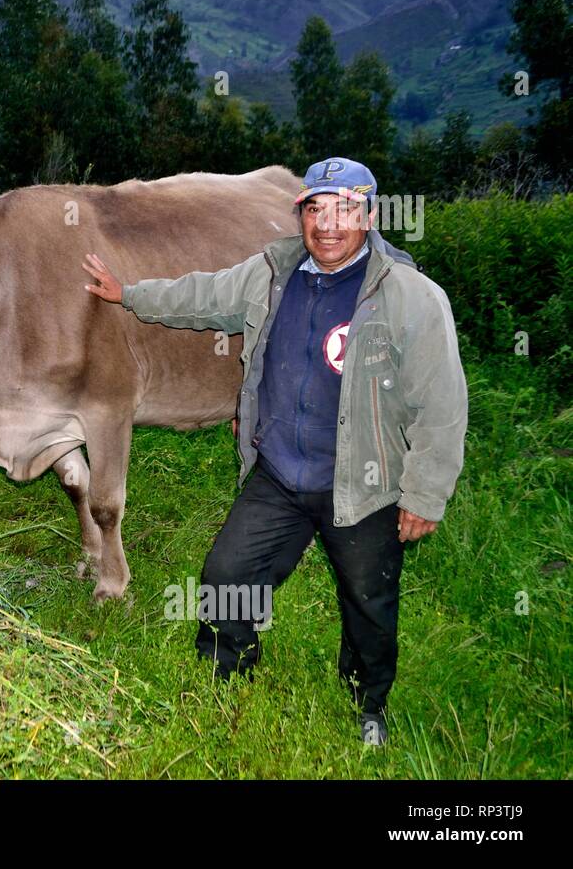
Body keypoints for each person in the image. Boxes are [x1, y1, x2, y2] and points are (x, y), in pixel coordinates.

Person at [82, 157, 468, 745]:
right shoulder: (273, 272)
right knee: (226, 575)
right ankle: (225, 670)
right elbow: (201, 295)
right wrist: (128, 293)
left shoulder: (411, 296)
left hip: (363, 481)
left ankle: (368, 703)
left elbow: (442, 404)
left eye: (344, 209)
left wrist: (425, 494)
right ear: (301, 216)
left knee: (368, 600)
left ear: (368, 215)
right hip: (282, 473)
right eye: (315, 209)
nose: (328, 224)